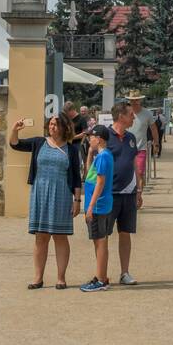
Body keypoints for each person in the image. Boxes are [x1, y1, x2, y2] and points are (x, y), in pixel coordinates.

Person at [10, 113, 82, 289]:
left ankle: (61, 278)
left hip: (62, 194)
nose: (52, 127)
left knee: (60, 236)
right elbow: (15, 144)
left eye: (56, 124)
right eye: (50, 124)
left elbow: (76, 177)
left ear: (65, 127)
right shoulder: (38, 142)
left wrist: (77, 200)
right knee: (41, 237)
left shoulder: (71, 149)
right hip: (40, 193)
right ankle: (37, 278)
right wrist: (14, 130)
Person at [105, 101, 142, 285]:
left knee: (125, 233)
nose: (133, 117)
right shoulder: (105, 136)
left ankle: (124, 272)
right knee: (103, 235)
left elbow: (134, 163)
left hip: (129, 193)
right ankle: (101, 273)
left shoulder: (131, 137)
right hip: (109, 193)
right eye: (130, 114)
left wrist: (139, 189)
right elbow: (93, 163)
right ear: (121, 116)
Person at [79, 124, 116, 292]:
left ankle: (100, 280)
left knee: (100, 242)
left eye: (91, 137)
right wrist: (89, 154)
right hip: (102, 204)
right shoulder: (101, 156)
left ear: (99, 139)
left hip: (98, 206)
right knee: (101, 241)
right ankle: (102, 275)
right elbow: (89, 175)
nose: (89, 139)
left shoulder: (103, 157)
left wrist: (91, 206)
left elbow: (100, 182)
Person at [125, 90, 160, 190]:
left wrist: (156, 144)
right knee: (128, 173)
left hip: (141, 148)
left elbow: (153, 128)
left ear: (140, 100)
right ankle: (133, 191)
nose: (134, 102)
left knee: (139, 173)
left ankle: (138, 196)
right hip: (126, 148)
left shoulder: (147, 113)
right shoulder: (126, 112)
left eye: (136, 100)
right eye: (132, 100)